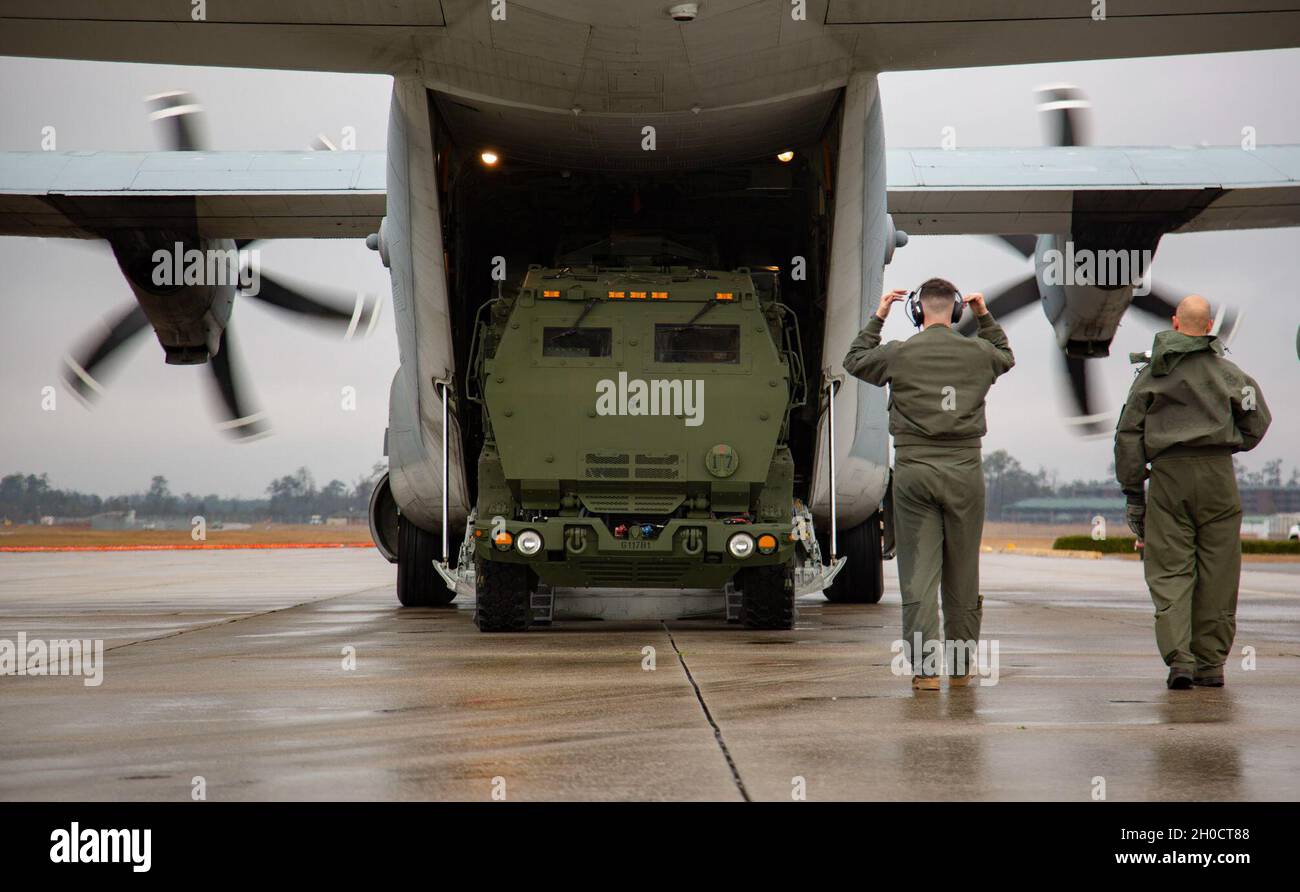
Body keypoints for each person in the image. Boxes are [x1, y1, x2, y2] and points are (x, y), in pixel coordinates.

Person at [844, 279, 1014, 691]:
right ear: (955, 312)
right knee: (963, 571)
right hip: (965, 471)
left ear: (918, 311)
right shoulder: (979, 352)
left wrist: (879, 315)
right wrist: (985, 315)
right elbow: (1006, 357)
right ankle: (959, 667)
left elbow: (854, 360)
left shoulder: (899, 353)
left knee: (919, 573)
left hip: (914, 469)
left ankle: (924, 670)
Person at [1115, 294, 1271, 690]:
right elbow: (1258, 419)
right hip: (1219, 475)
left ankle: (1179, 660)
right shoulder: (1232, 375)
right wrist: (1230, 443)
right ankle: (1211, 665)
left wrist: (1134, 493)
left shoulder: (1150, 377)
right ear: (1209, 328)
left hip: (1169, 477)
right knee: (1220, 571)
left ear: (1174, 322)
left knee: (1170, 570)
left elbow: (1127, 436)